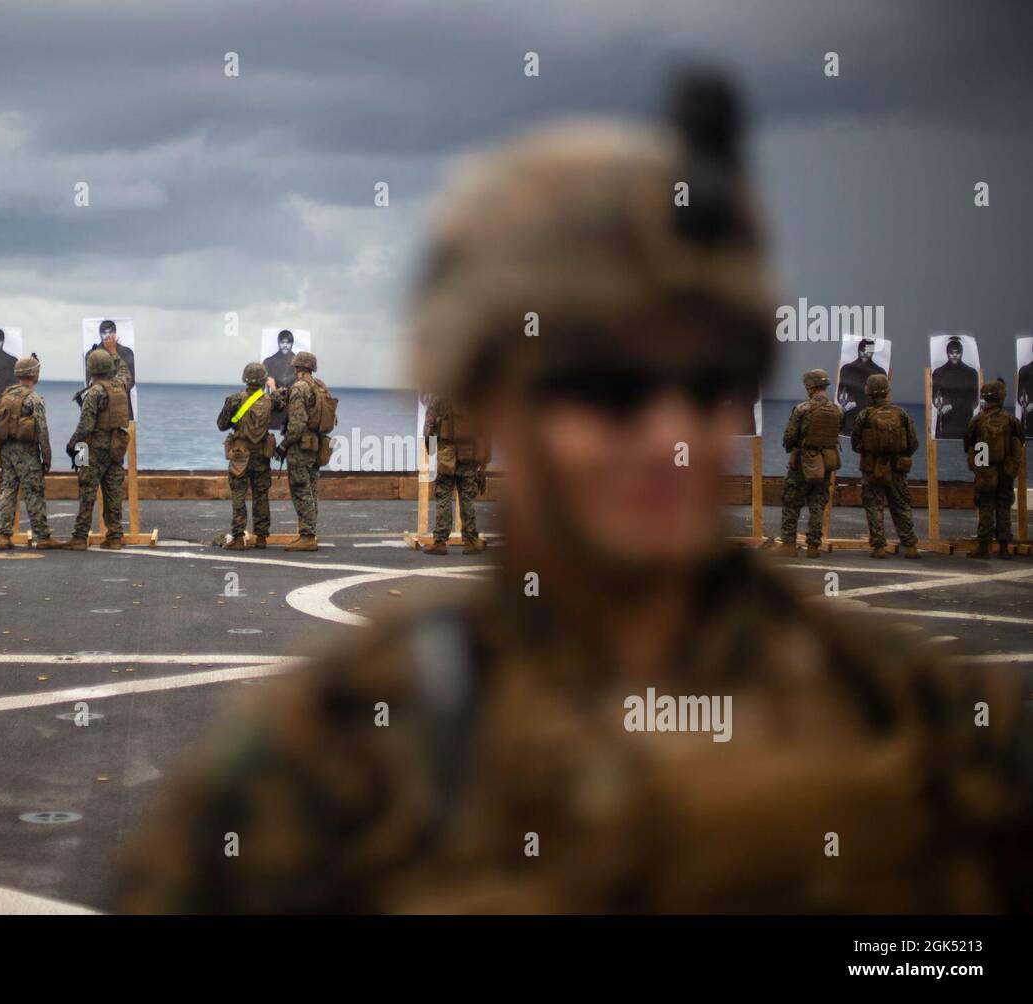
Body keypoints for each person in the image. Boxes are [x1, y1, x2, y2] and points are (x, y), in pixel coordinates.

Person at [118, 71, 1031, 914]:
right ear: (488, 395)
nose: (671, 431)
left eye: (714, 378)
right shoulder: (325, 771)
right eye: (608, 387)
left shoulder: (932, 747)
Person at [0, 354, 61, 550]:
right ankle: (43, 537)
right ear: (34, 374)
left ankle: (4, 536)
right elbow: (42, 431)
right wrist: (47, 458)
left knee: (8, 492)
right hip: (27, 453)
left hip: (6, 451)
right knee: (34, 493)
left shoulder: (6, 395)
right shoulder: (34, 399)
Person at [66, 347, 131, 550]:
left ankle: (79, 537)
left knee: (87, 492)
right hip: (116, 447)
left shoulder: (93, 393)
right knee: (113, 492)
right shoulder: (119, 385)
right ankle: (114, 537)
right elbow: (125, 372)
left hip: (91, 448)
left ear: (90, 369)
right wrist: (114, 352)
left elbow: (85, 427)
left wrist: (71, 446)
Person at [849, 373, 919, 559]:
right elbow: (913, 443)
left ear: (869, 393)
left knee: (874, 506)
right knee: (901, 505)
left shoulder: (864, 415)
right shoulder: (901, 413)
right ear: (887, 391)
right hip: (897, 468)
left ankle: (879, 547)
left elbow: (855, 444)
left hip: (872, 468)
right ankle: (910, 546)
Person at [271, 351, 333, 552]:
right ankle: (311, 533)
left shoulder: (299, 388)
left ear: (297, 368)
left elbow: (297, 425)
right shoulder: (320, 386)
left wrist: (283, 445)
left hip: (300, 447)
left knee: (300, 490)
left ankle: (307, 536)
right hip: (316, 445)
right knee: (312, 490)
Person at [776, 370, 842, 557]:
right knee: (817, 504)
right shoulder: (837, 409)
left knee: (791, 502)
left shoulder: (803, 409)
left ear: (809, 386)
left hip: (803, 462)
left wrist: (792, 447)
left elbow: (789, 437)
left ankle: (788, 545)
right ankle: (813, 546)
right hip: (826, 463)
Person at [964, 379, 1025, 559]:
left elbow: (968, 443)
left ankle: (984, 547)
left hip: (984, 469)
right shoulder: (1011, 420)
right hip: (1005, 470)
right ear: (1001, 397)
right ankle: (1004, 548)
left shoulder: (977, 420)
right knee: (1004, 507)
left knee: (986, 507)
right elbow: (1019, 441)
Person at [218, 363, 275, 550]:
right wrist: (274, 389)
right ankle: (261, 538)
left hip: (240, 455)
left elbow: (222, 425)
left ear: (245, 379)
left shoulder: (235, 399)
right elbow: (282, 405)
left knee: (238, 496)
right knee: (261, 496)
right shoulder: (270, 401)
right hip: (262, 455)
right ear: (263, 381)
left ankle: (238, 537)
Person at [422, 395, 487, 555]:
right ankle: (471, 541)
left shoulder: (440, 395)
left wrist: (430, 448)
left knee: (443, 496)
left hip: (446, 454)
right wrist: (483, 461)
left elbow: (430, 425)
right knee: (467, 498)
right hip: (468, 453)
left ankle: (440, 541)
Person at [84, 320, 136, 419]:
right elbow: (90, 384)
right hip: (101, 412)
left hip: (123, 411)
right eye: (104, 332)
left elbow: (130, 383)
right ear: (100, 334)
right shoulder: (91, 353)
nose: (108, 335)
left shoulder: (126, 352)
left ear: (115, 333)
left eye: (111, 332)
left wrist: (114, 352)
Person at [931, 337, 979, 440]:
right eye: (951, 353)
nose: (954, 355)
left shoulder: (971, 373)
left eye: (957, 353)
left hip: (965, 424)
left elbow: (974, 402)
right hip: (944, 426)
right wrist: (940, 403)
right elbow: (935, 399)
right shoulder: (938, 373)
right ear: (947, 353)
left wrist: (952, 404)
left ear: (961, 353)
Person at [836, 338, 886, 433]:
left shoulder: (880, 372)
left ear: (873, 352)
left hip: (871, 416)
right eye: (863, 351)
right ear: (858, 350)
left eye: (869, 352)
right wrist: (847, 403)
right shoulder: (847, 369)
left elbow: (883, 396)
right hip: (851, 415)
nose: (865, 354)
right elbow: (840, 393)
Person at [263, 329, 298, 427]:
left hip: (293, 409)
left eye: (288, 342)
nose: (285, 345)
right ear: (278, 343)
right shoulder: (268, 362)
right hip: (274, 409)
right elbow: (261, 391)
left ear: (292, 343)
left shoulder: (298, 364)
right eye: (282, 342)